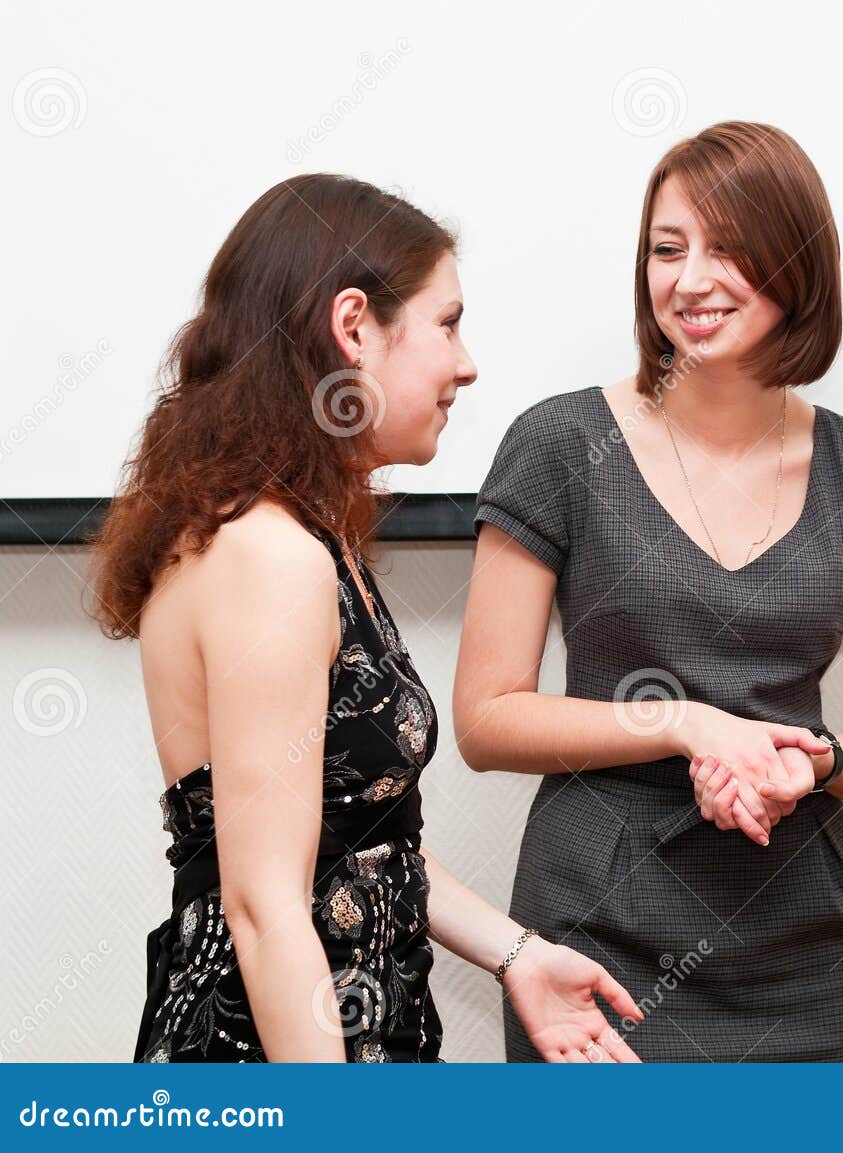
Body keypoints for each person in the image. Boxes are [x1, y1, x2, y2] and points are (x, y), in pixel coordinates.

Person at [91, 174, 643, 1062]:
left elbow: (359, 848)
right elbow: (266, 910)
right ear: (354, 326)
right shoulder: (268, 555)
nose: (466, 363)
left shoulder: (308, 536)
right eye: (448, 322)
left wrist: (520, 956)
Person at [454, 122, 843, 1061]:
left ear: (798, 267)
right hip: (593, 937)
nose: (689, 279)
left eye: (728, 249)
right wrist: (683, 725)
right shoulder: (558, 444)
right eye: (667, 250)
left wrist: (811, 762)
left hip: (804, 945)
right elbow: (484, 717)